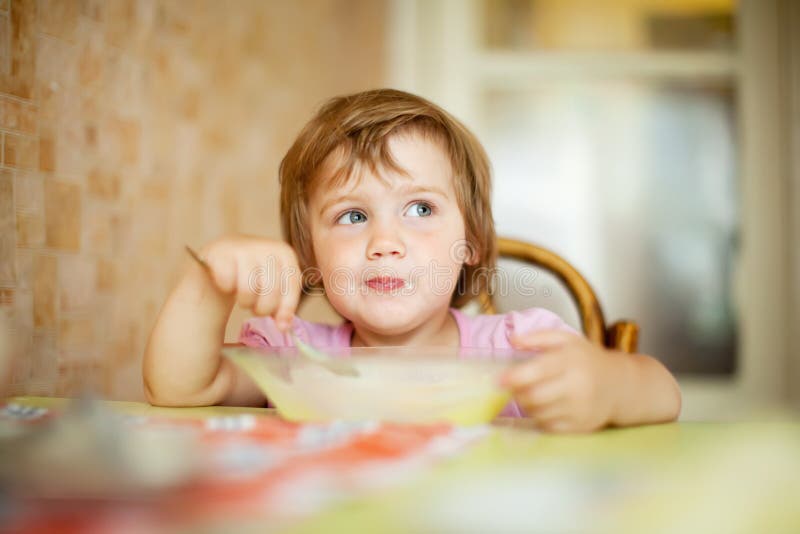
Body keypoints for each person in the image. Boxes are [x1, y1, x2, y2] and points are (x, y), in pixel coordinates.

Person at [143, 89, 681, 432]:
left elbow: (663, 391)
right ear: (309, 254)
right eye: (352, 216)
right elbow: (180, 388)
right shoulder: (293, 359)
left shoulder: (519, 349)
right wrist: (208, 279)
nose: (385, 242)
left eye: (420, 208)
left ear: (469, 241)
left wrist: (607, 387)